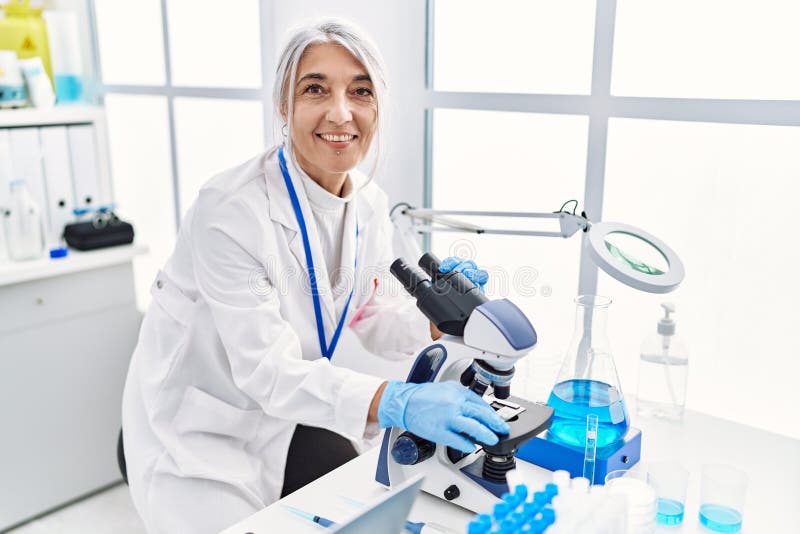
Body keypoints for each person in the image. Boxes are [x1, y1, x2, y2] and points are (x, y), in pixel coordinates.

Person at [121, 19, 506, 534]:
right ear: (284, 106)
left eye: (360, 91)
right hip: (193, 433)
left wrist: (437, 321)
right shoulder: (230, 211)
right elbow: (266, 370)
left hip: (282, 418)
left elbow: (370, 314)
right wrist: (397, 401)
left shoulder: (368, 205)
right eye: (315, 89)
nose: (341, 113)